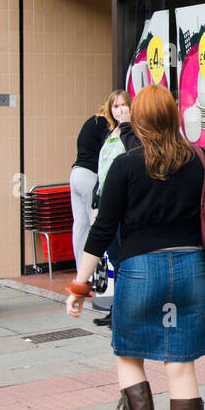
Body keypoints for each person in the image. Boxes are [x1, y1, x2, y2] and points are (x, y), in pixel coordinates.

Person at [66, 84, 205, 410]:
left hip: (140, 271)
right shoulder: (199, 159)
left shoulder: (125, 167)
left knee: (129, 356)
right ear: (173, 116)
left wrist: (79, 286)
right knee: (180, 366)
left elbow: (102, 230)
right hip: (188, 270)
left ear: (139, 120)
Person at [90, 90, 133, 328]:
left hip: (122, 205)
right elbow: (102, 170)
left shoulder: (131, 134)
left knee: (122, 259)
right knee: (114, 259)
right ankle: (116, 309)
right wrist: (96, 201)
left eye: (124, 106)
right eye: (116, 106)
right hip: (106, 202)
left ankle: (122, 311)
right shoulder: (110, 133)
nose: (120, 110)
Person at [70, 94, 118, 264]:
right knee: (96, 224)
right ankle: (97, 271)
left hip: (76, 174)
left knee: (80, 225)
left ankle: (81, 271)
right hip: (90, 176)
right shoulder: (107, 125)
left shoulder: (92, 121)